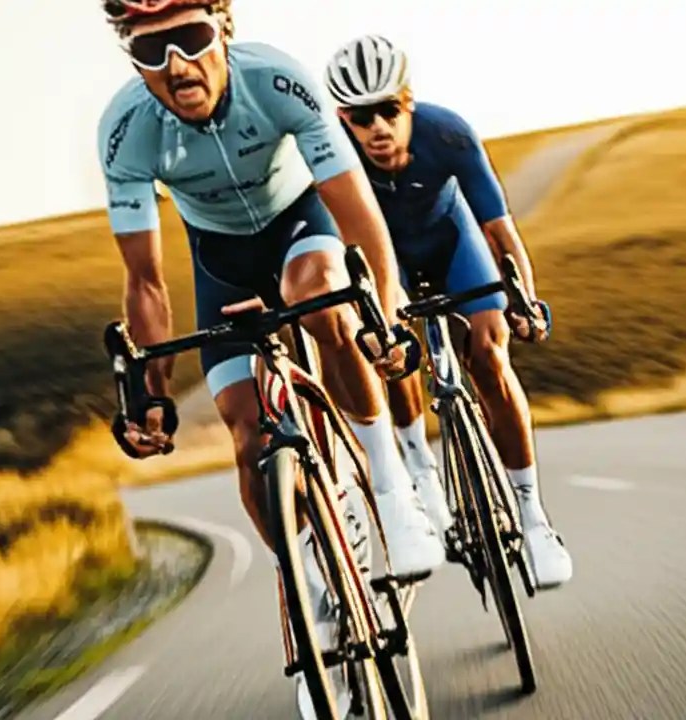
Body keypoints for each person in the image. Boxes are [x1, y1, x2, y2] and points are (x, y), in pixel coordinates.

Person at [95, 2, 441, 715]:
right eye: (149, 52)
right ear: (131, 57)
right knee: (247, 431)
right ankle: (306, 582)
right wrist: (153, 392)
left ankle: (392, 489)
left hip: (300, 229)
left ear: (222, 31)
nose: (175, 67)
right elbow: (146, 282)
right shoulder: (125, 130)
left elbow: (358, 217)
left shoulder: (276, 81)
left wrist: (383, 309)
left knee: (317, 298)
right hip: (220, 261)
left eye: (188, 40)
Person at [322, 35, 573, 589]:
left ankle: (534, 519)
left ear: (408, 102)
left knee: (487, 351)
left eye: (388, 111)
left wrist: (524, 299)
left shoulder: (448, 132)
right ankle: (420, 469)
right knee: (389, 351)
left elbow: (498, 229)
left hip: (453, 240)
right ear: (344, 119)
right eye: (361, 119)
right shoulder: (332, 154)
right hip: (387, 259)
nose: (378, 130)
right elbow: (342, 249)